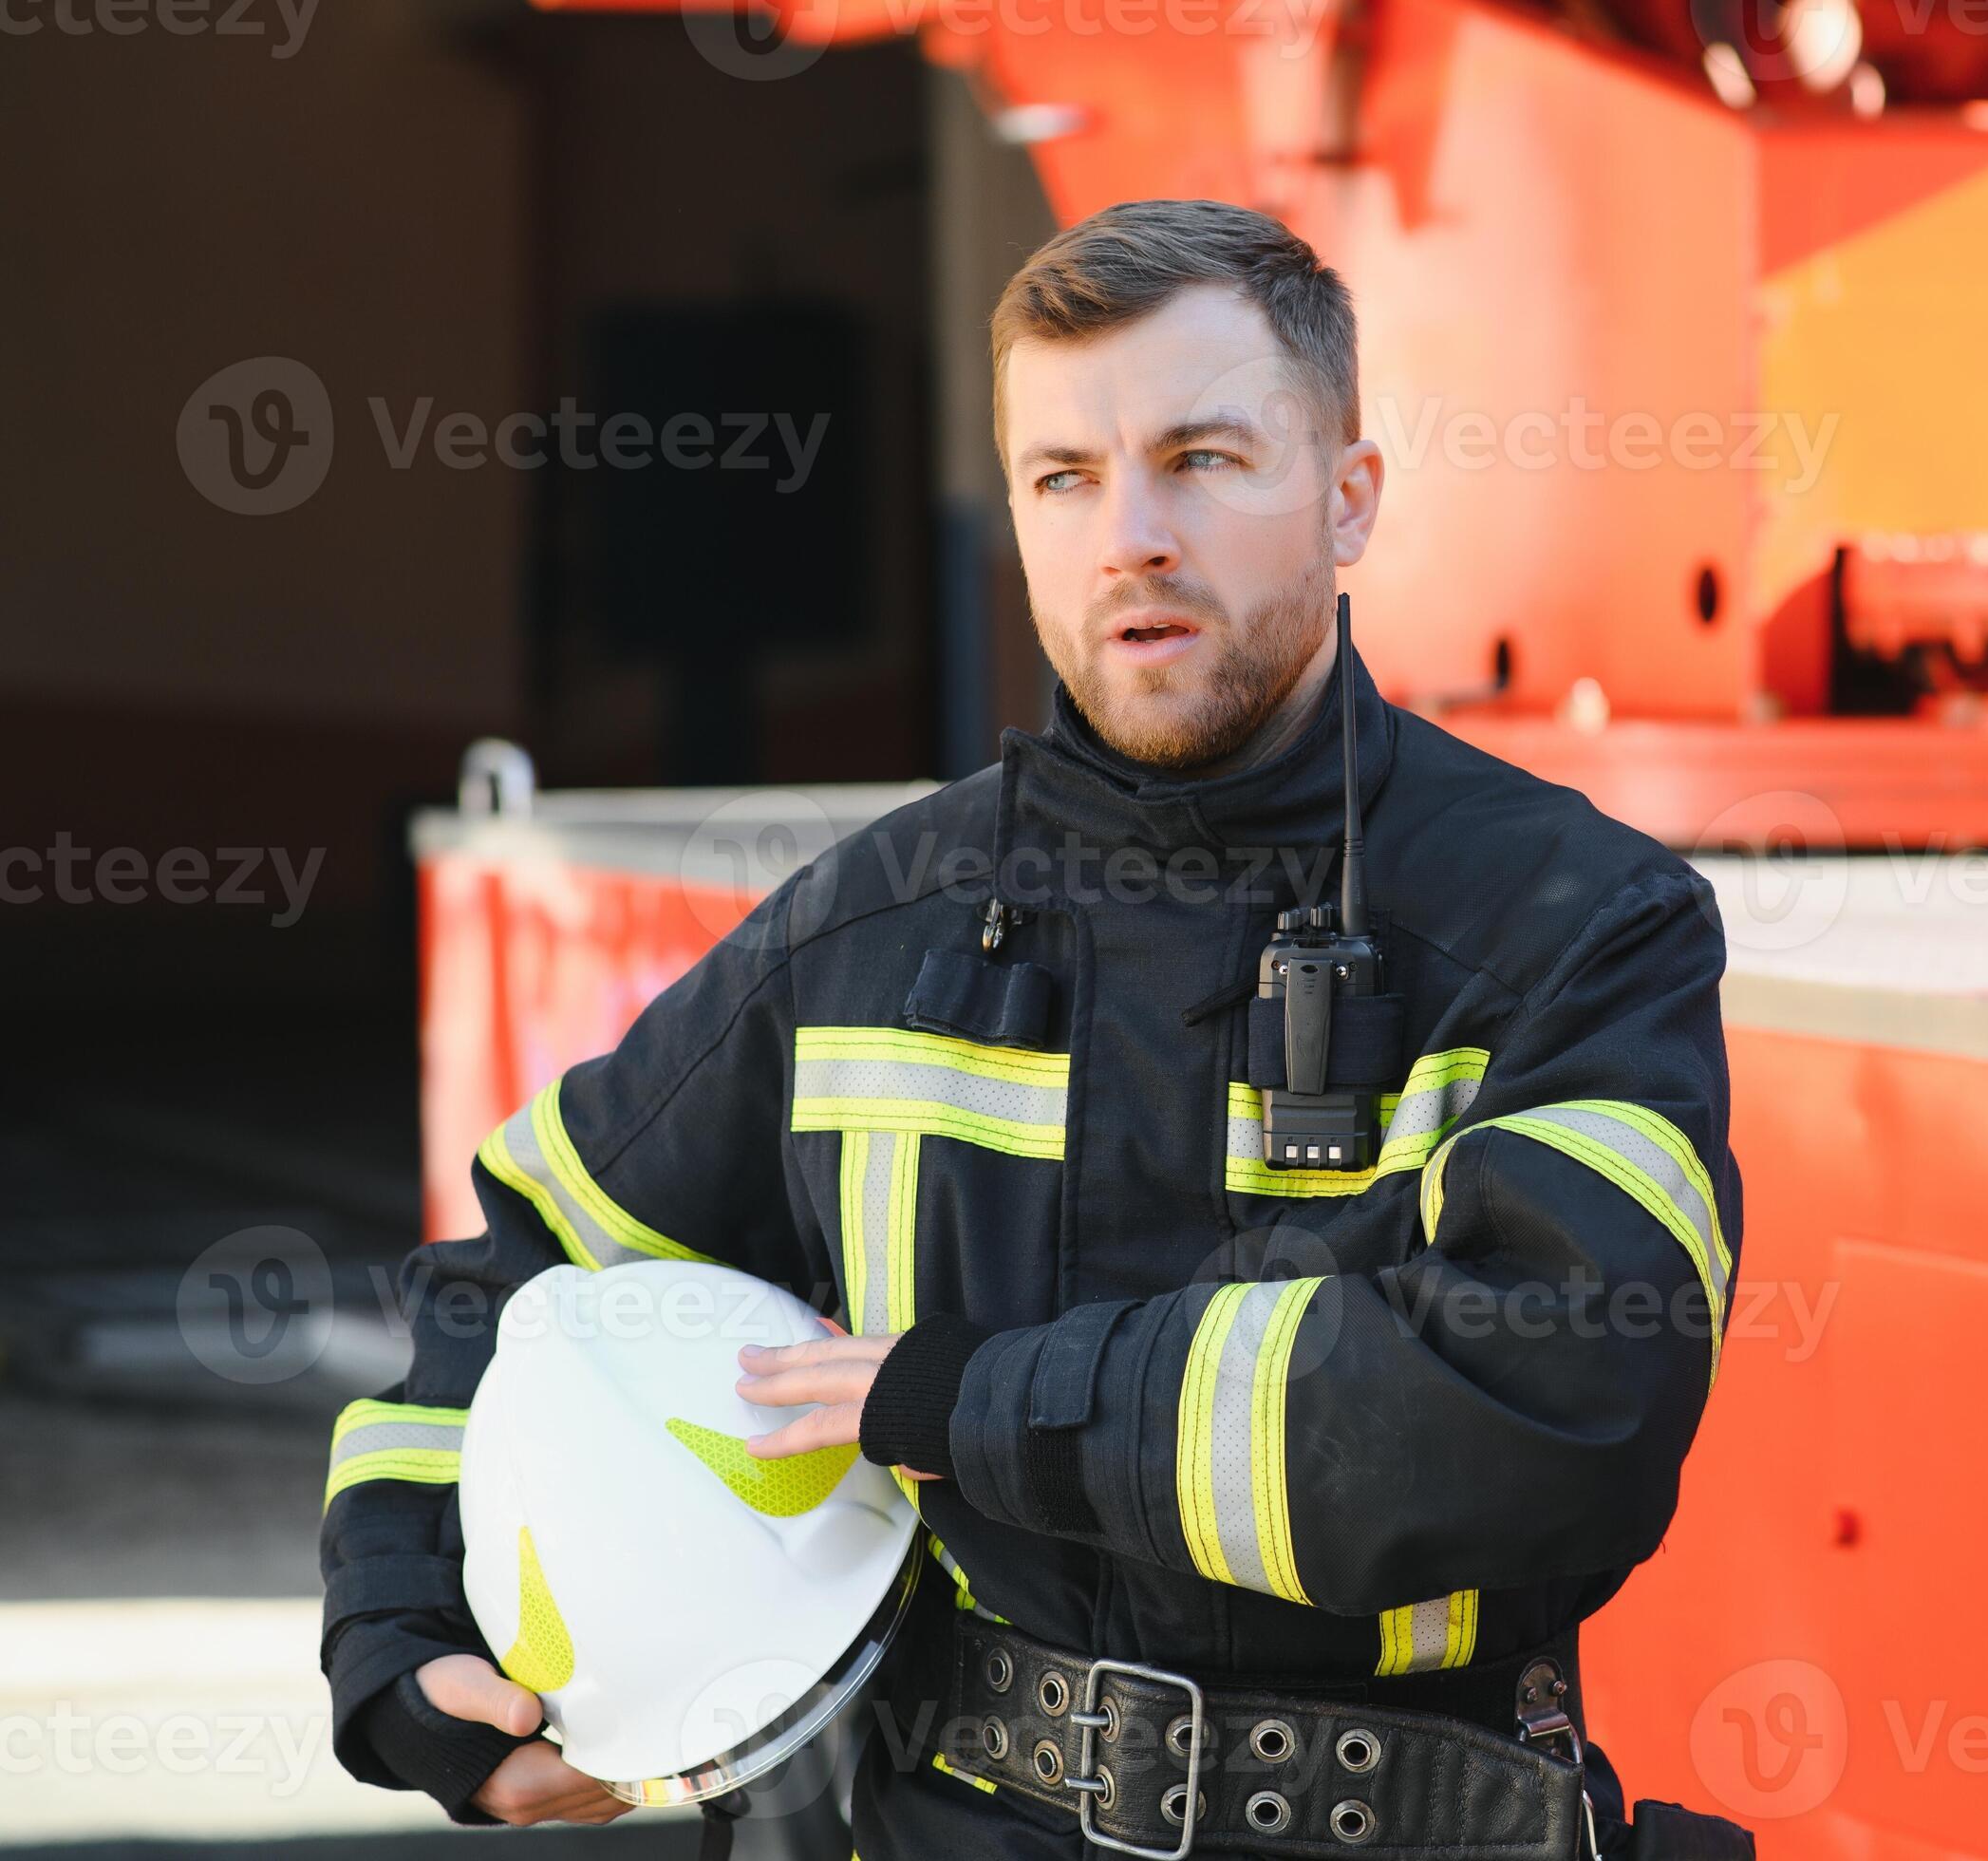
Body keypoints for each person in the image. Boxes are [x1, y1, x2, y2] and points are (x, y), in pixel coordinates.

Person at [319, 197, 1745, 1859]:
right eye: (1064, 476)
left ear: (1349, 498)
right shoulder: (867, 928)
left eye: (1203, 458)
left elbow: (1551, 1412)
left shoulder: (1574, 923)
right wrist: (403, 1638)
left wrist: (960, 1401)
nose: (1127, 533)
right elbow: (522, 1270)